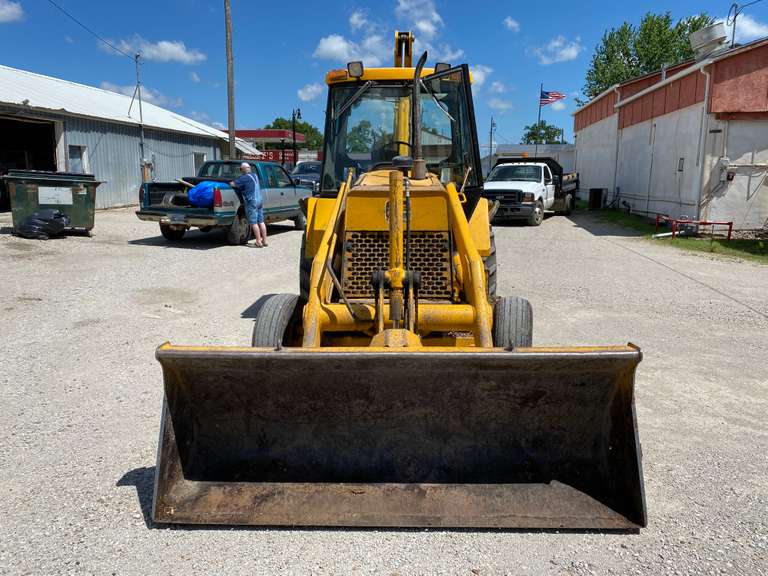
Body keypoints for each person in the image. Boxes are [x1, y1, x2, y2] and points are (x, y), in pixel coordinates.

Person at [230, 162, 267, 247]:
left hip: (252, 202)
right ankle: (264, 241)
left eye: (240, 169)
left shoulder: (244, 178)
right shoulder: (255, 175)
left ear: (243, 169)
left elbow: (233, 184)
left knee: (253, 223)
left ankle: (258, 242)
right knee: (261, 221)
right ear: (249, 168)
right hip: (259, 201)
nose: (240, 171)